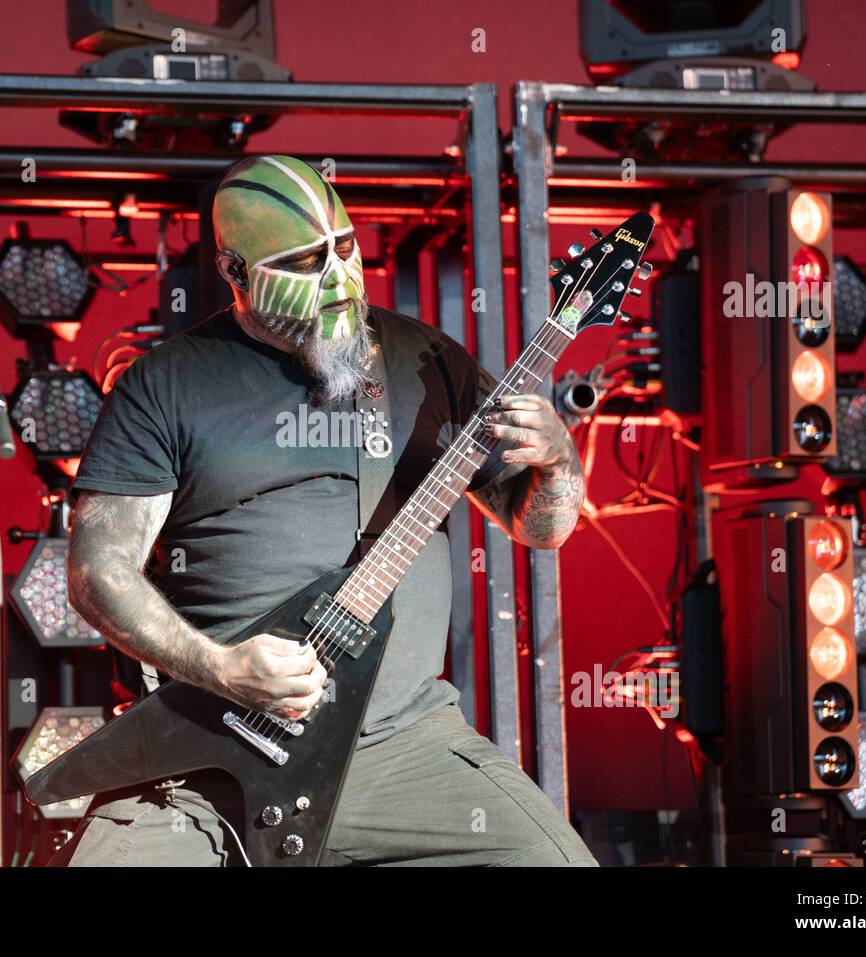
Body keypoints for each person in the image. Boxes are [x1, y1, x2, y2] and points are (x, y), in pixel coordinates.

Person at [51, 154, 595, 866]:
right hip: (210, 752)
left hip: (402, 744)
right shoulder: (169, 383)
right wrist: (222, 666)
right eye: (305, 262)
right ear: (236, 274)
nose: (339, 277)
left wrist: (559, 459)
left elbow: (539, 527)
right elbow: (99, 571)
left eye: (346, 248)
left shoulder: (424, 359)